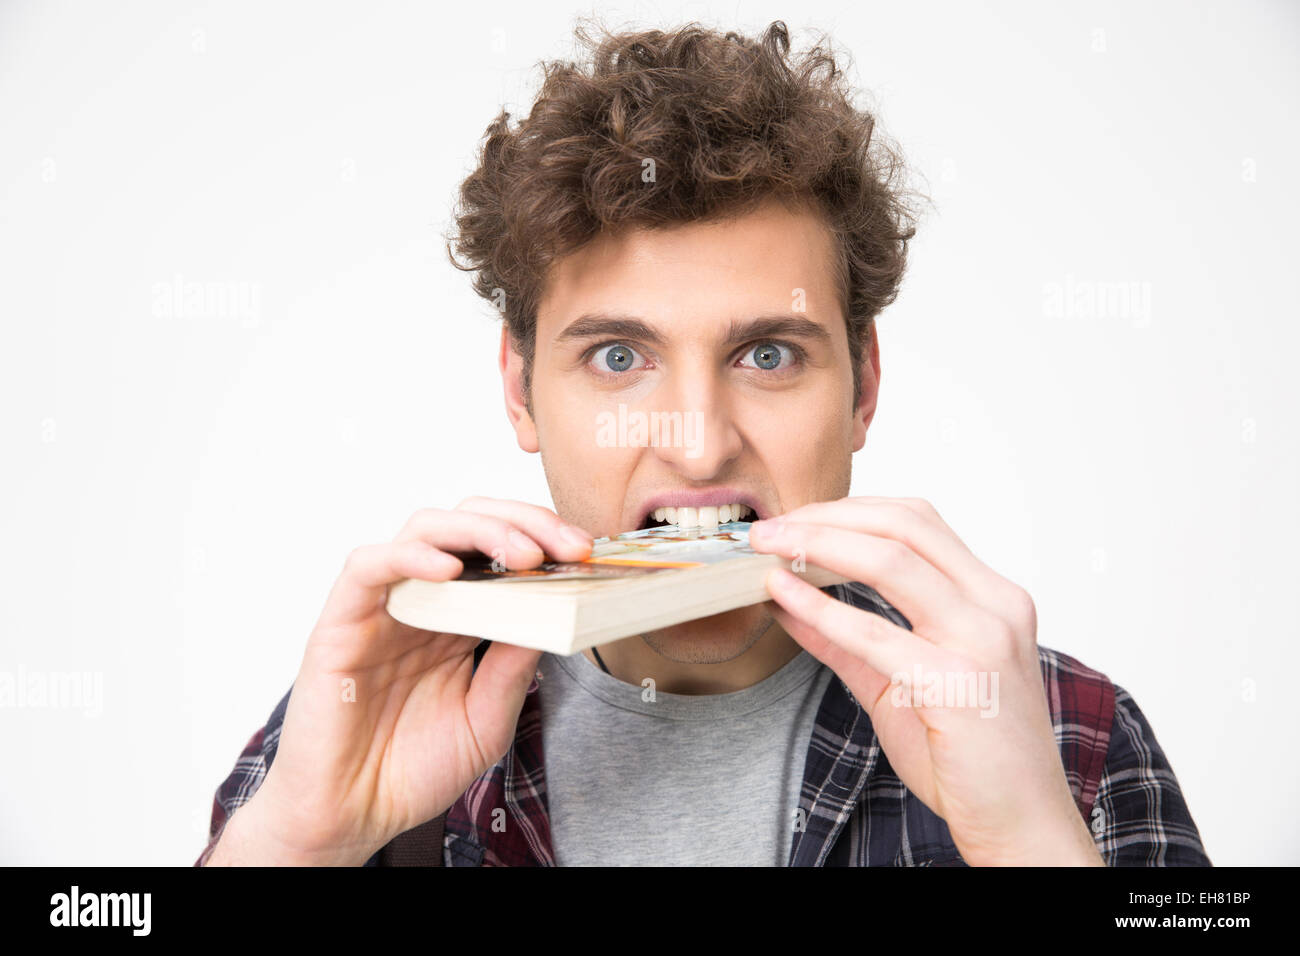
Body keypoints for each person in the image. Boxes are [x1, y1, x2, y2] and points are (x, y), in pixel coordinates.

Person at [196, 19, 1209, 867]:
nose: (696, 442)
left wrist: (1032, 837)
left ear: (863, 388)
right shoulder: (368, 711)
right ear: (521, 391)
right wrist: (292, 840)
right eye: (617, 358)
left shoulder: (1060, 729)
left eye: (767, 354)